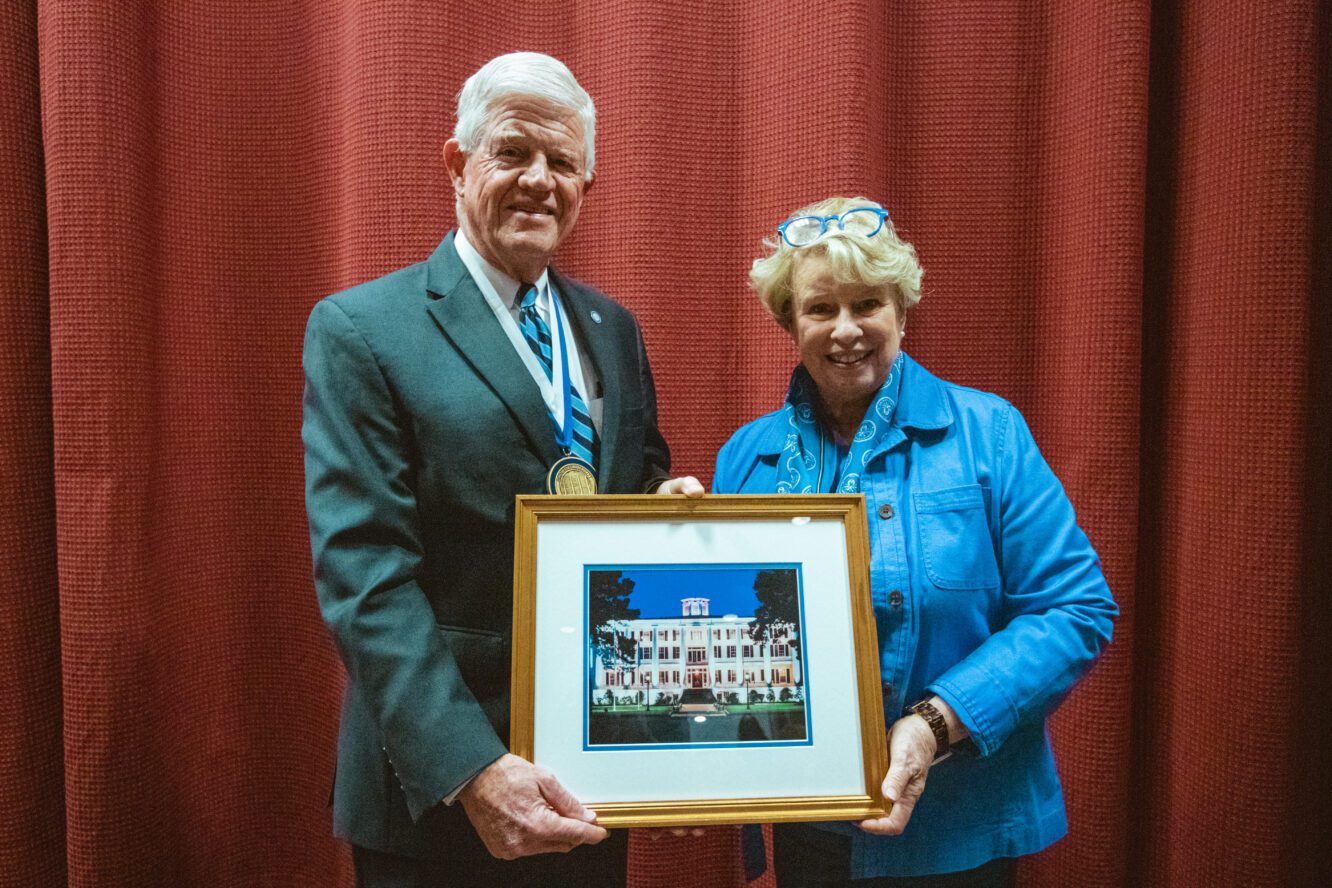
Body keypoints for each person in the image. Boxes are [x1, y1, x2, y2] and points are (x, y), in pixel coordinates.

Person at [302, 52, 702, 888]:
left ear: (586, 187)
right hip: (442, 795)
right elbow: (365, 572)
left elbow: (632, 492)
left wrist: (665, 518)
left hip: (592, 778)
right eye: (513, 152)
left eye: (562, 163)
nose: (538, 180)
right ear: (457, 163)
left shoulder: (613, 329)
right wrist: (473, 771)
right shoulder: (362, 329)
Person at [713, 196, 1117, 886]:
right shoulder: (746, 458)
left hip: (962, 830)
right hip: (811, 827)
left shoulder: (989, 433)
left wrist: (934, 722)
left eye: (867, 303)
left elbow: (1076, 610)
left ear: (902, 310)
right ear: (788, 321)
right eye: (820, 309)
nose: (846, 330)